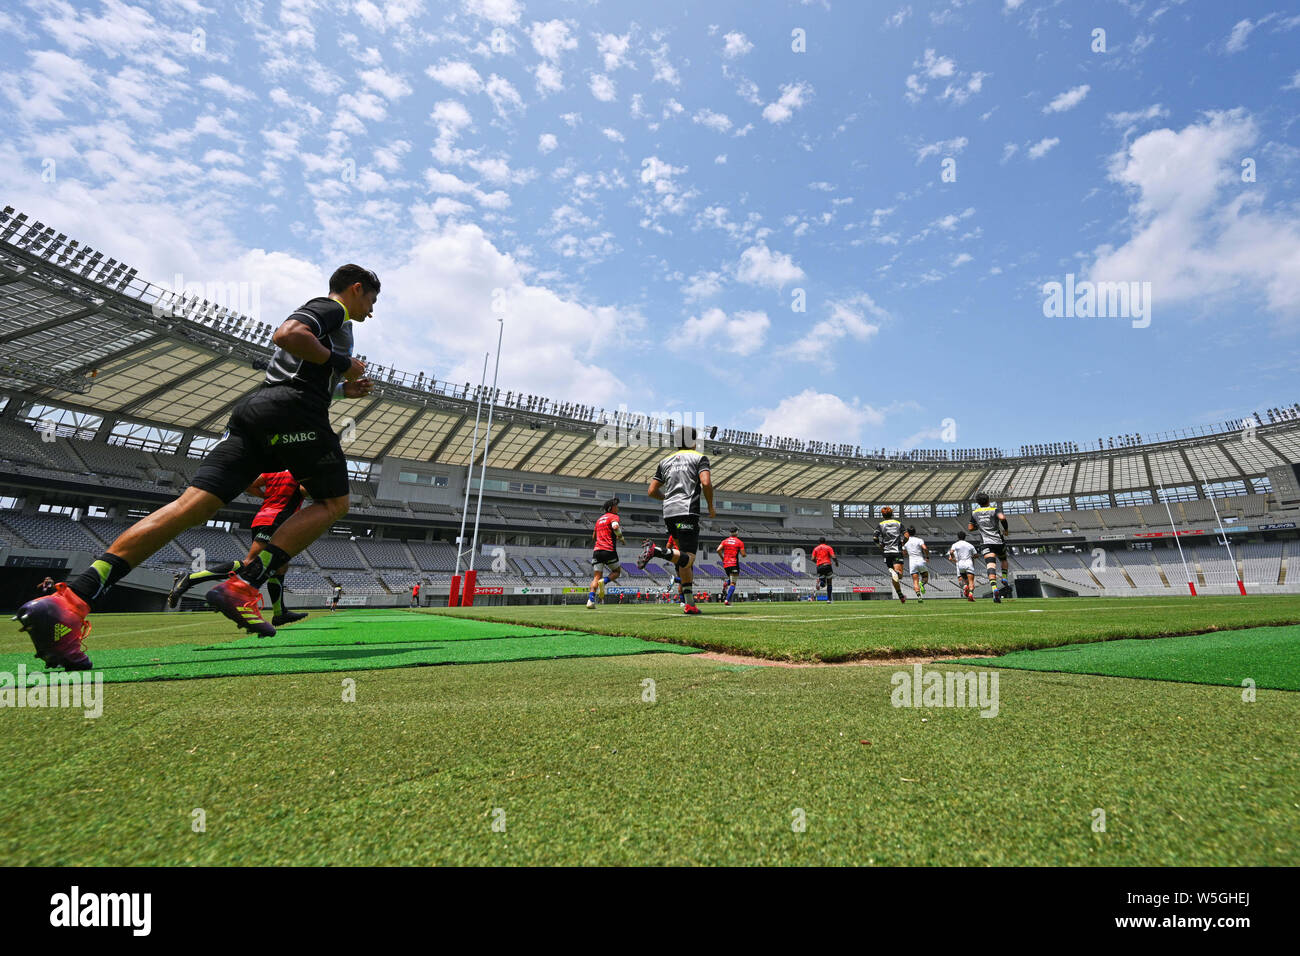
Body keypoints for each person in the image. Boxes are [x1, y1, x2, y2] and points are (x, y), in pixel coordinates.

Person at [15, 265, 379, 669]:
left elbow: (302, 371)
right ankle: (244, 585)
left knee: (192, 506)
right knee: (333, 503)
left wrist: (343, 389)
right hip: (292, 411)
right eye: (372, 300)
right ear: (356, 289)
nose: (372, 310)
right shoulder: (332, 309)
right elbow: (289, 335)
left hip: (258, 413)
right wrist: (342, 363)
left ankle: (70, 599)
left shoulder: (333, 325)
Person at [167, 470, 309, 627]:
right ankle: (189, 579)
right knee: (251, 563)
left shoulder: (274, 471)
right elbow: (304, 490)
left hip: (263, 517)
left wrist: (266, 497)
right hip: (277, 519)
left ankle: (280, 613)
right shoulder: (299, 470)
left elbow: (249, 485)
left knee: (280, 566)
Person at [636, 426, 714, 615]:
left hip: (669, 514)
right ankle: (655, 551)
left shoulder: (665, 461)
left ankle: (689, 604)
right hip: (687, 512)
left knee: (684, 560)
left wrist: (668, 498)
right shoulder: (699, 458)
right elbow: (705, 483)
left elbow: (652, 491)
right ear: (694, 441)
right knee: (690, 558)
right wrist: (711, 506)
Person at [969, 492, 1011, 603]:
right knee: (1003, 559)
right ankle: (1005, 577)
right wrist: (1005, 529)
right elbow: (1002, 517)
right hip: (998, 541)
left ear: (978, 503)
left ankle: (994, 589)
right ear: (988, 501)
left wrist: (979, 526)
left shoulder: (975, 513)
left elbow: (970, 528)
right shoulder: (994, 510)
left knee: (990, 565)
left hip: (986, 542)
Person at [587, 498, 626, 609]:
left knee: (596, 577)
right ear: (611, 508)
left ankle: (590, 601)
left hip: (597, 551)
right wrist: (621, 538)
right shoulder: (613, 516)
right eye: (616, 506)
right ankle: (604, 582)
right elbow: (615, 527)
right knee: (617, 571)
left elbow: (593, 537)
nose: (618, 508)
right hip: (608, 550)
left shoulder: (599, 520)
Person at [873, 507, 908, 603]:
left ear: (882, 515)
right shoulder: (898, 523)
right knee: (899, 576)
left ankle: (901, 596)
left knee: (894, 576)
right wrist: (903, 543)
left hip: (886, 552)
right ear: (892, 513)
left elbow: (875, 538)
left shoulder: (880, 525)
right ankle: (896, 573)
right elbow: (906, 536)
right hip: (896, 551)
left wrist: (880, 546)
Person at [716, 527, 745, 605]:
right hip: (734, 563)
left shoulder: (725, 541)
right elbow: (743, 555)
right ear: (737, 532)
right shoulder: (739, 542)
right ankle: (727, 600)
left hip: (726, 564)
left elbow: (718, 550)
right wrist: (743, 554)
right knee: (733, 583)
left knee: (731, 579)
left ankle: (726, 583)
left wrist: (723, 558)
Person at [947, 531, 978, 602]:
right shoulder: (970, 545)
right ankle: (970, 594)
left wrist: (953, 558)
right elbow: (976, 555)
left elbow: (951, 553)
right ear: (965, 537)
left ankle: (965, 588)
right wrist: (972, 556)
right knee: (971, 581)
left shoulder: (955, 545)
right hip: (968, 563)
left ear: (958, 537)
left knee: (963, 581)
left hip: (960, 564)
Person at [903, 526, 930, 601]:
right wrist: (927, 557)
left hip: (912, 562)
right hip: (920, 560)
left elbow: (904, 553)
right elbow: (925, 548)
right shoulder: (919, 540)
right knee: (925, 577)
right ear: (915, 532)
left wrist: (908, 552)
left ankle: (919, 597)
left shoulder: (905, 542)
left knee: (915, 581)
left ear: (908, 533)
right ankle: (922, 583)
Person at [811, 537, 838, 601]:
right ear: (825, 542)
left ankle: (820, 583)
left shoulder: (816, 549)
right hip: (827, 565)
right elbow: (833, 556)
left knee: (823, 583)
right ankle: (829, 599)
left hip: (819, 567)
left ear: (819, 542)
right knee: (829, 583)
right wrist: (836, 562)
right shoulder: (828, 547)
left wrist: (817, 562)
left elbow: (812, 558)